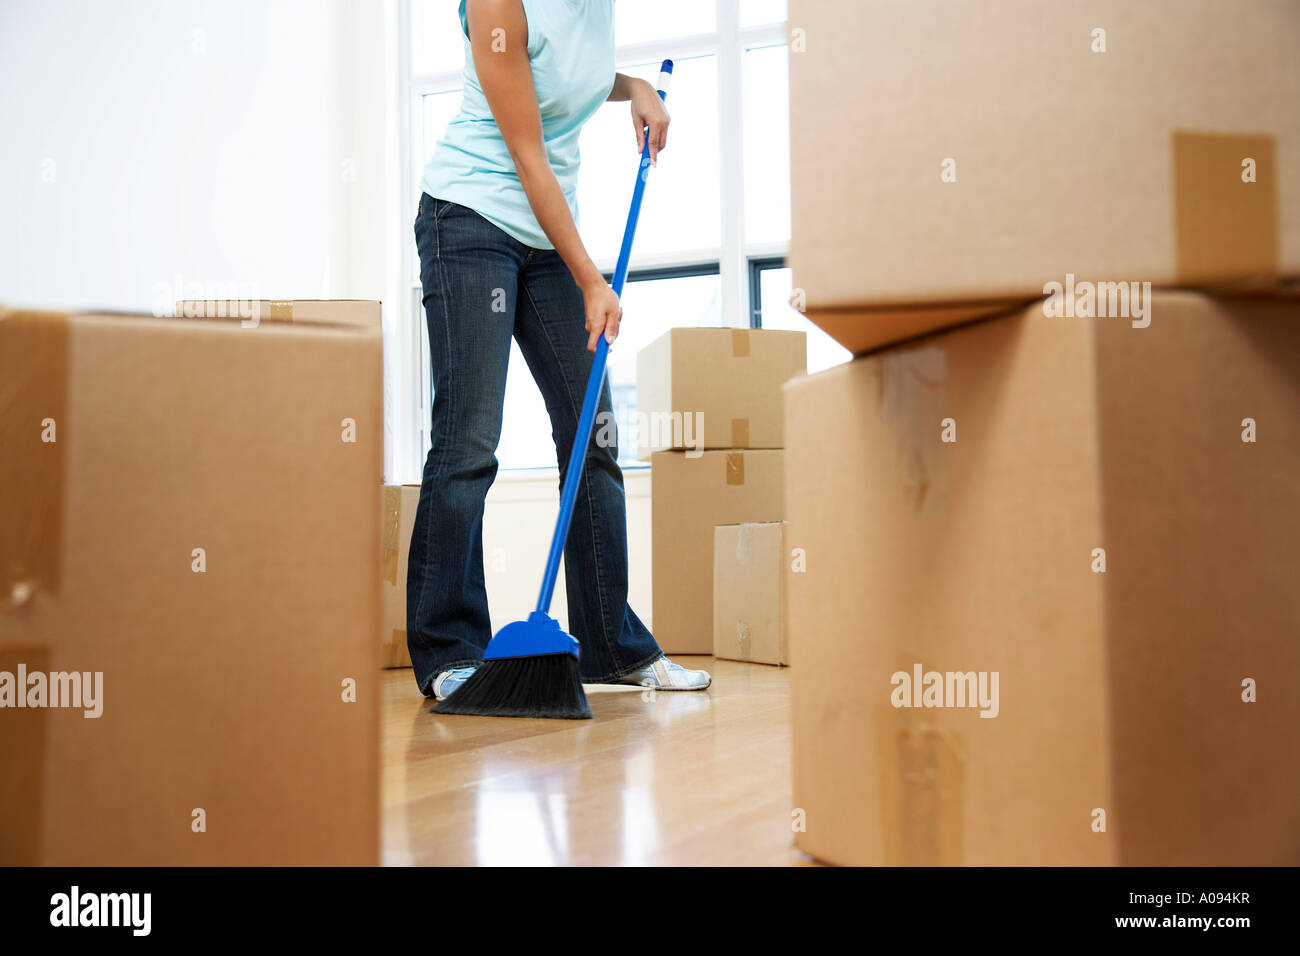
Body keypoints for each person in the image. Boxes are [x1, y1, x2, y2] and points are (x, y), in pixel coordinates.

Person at [408, 0, 711, 701]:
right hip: (469, 219)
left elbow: (571, 70)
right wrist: (589, 278)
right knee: (469, 442)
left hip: (547, 233)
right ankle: (449, 650)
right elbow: (526, 153)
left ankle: (611, 645)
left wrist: (630, 85)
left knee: (591, 435)